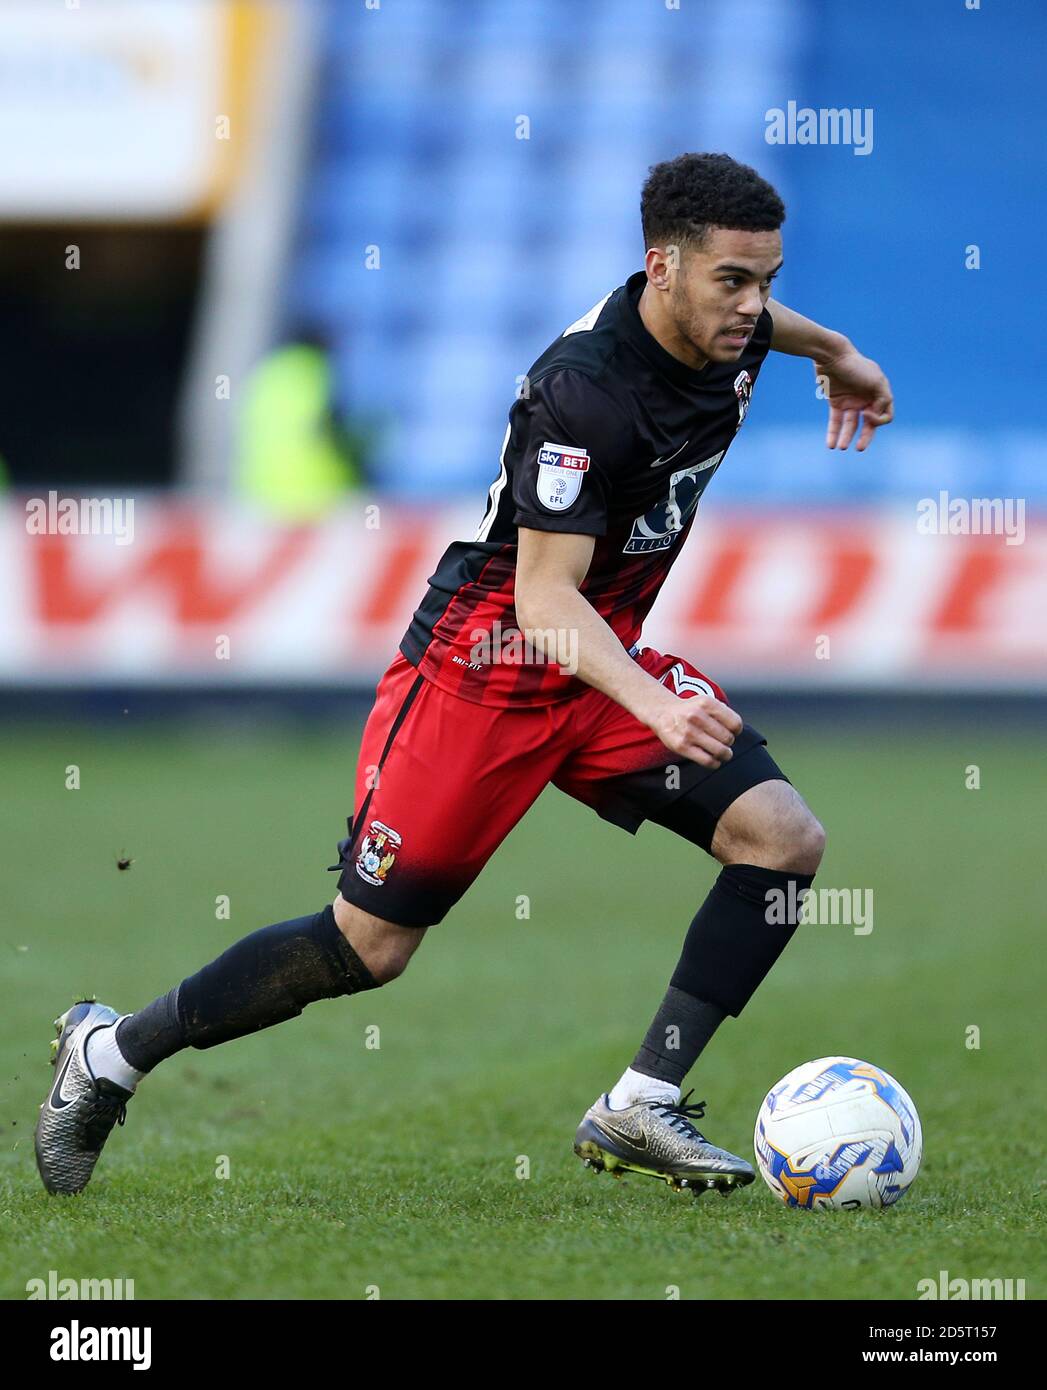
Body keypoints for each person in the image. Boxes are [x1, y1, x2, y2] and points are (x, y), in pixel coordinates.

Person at [35, 153, 892, 1199]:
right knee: (368, 945)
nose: (754, 308)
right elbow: (541, 602)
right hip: (487, 669)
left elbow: (765, 326)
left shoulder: (735, 324)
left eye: (769, 280)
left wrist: (839, 349)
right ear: (661, 268)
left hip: (602, 652)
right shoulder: (581, 392)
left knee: (783, 839)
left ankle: (642, 1101)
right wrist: (657, 702)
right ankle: (109, 1054)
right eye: (734, 282)